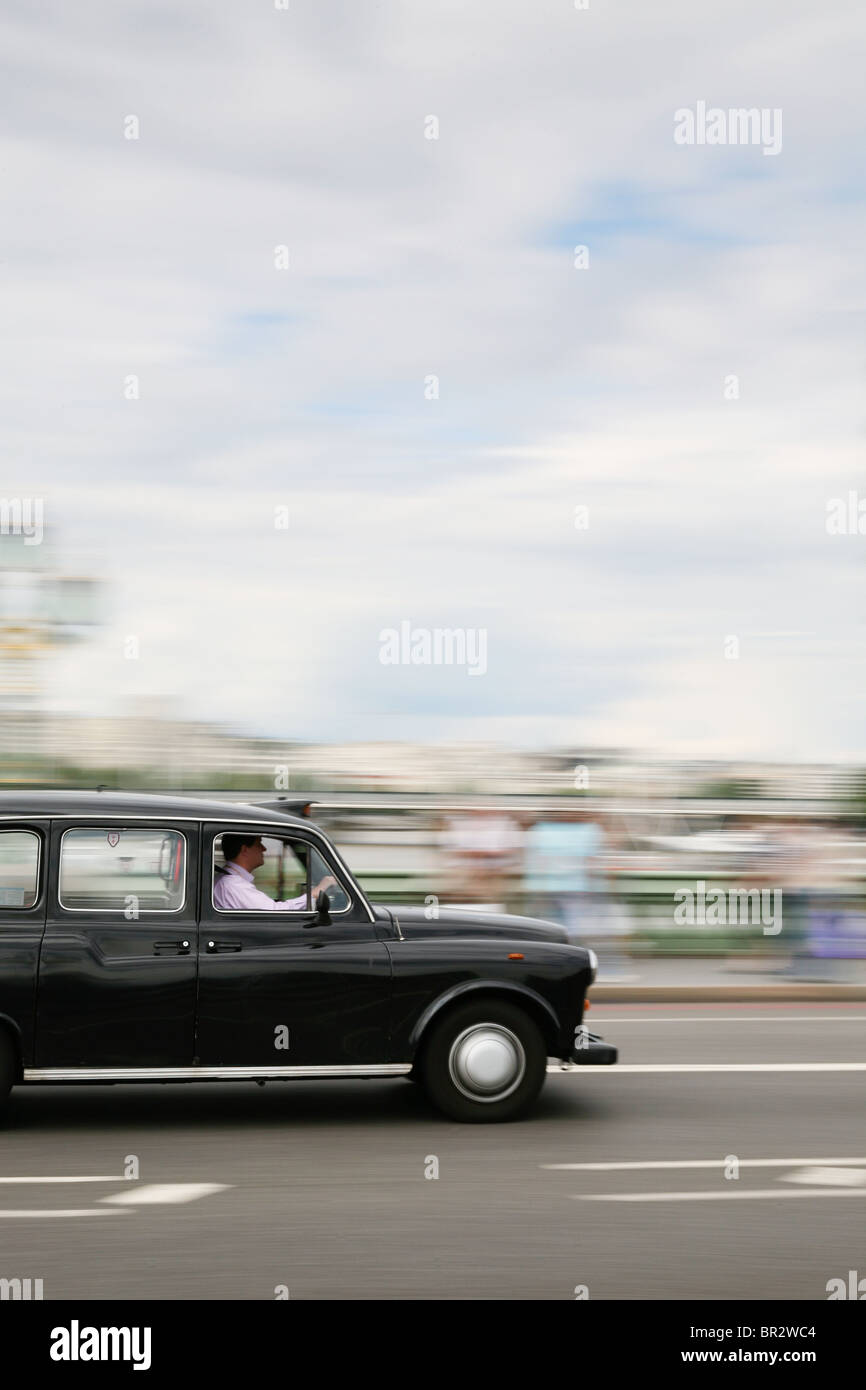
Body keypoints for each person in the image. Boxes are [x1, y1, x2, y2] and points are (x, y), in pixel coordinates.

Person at [213, 834, 335, 912]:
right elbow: (274, 912)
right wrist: (315, 893)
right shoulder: (233, 884)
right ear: (244, 850)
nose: (264, 848)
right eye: (258, 843)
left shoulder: (230, 881)